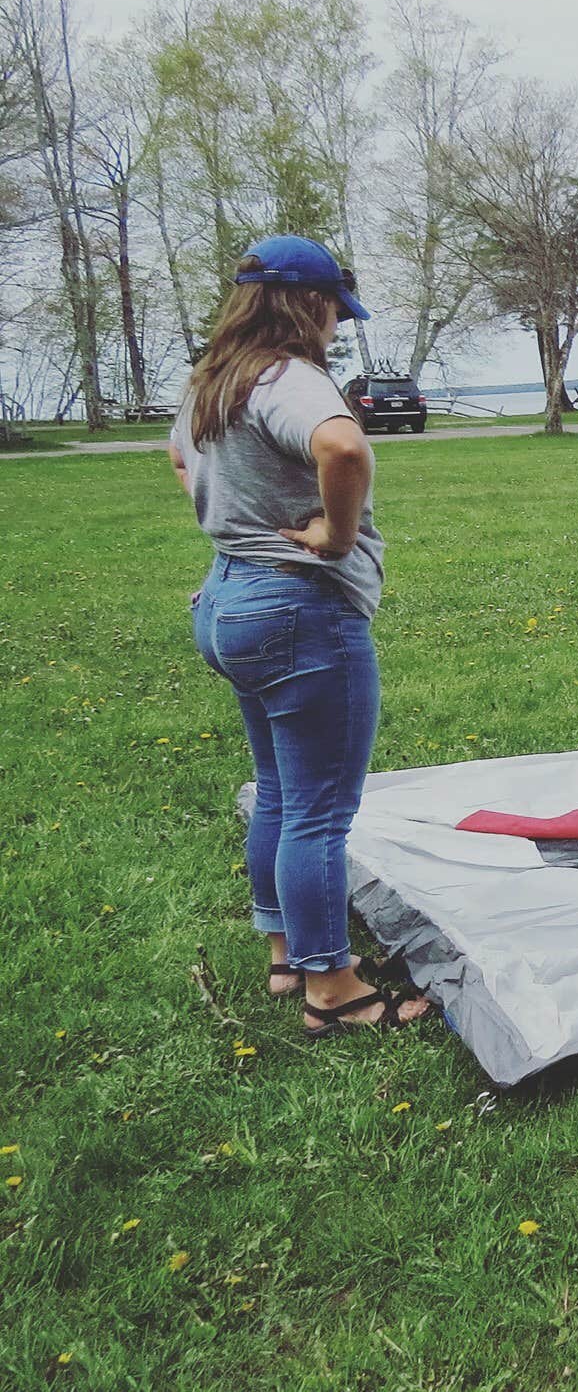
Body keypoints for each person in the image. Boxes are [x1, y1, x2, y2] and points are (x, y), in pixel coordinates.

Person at [169, 235, 430, 1034]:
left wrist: (236, 519)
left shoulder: (213, 380)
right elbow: (343, 444)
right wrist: (336, 536)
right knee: (319, 809)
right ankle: (333, 990)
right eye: (332, 312)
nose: (334, 328)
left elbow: (179, 460)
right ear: (309, 304)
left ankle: (287, 952)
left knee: (280, 792)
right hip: (298, 609)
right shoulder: (289, 378)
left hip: (229, 601)